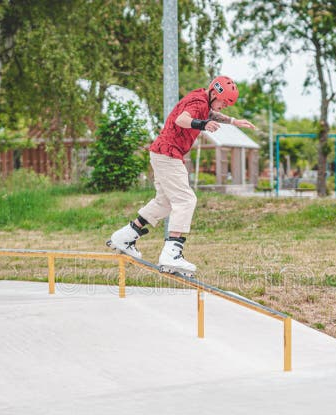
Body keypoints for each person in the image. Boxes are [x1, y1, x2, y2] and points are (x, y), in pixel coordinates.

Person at [107, 75, 257, 275]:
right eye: (224, 101)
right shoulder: (197, 101)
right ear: (214, 93)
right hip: (168, 153)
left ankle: (125, 236)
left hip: (161, 152)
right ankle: (172, 252)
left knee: (165, 202)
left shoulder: (203, 100)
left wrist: (233, 121)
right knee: (185, 199)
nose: (225, 106)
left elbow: (210, 113)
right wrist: (202, 125)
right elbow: (182, 119)